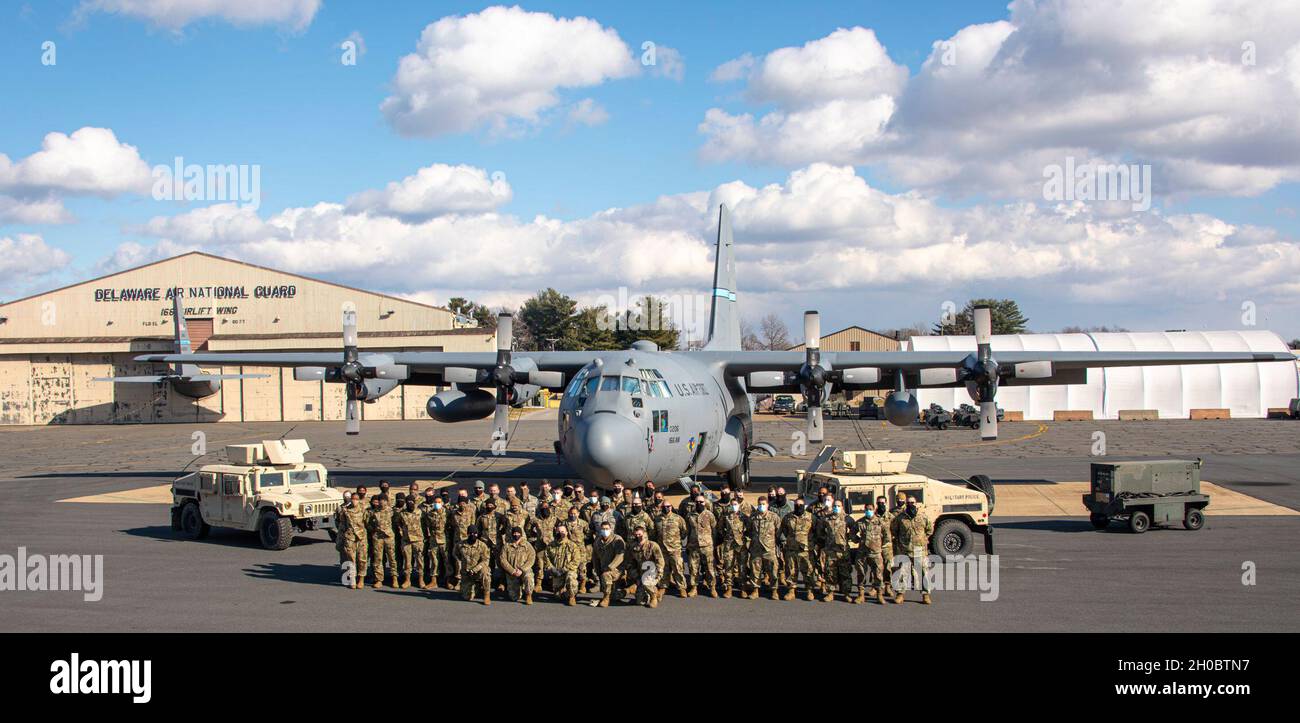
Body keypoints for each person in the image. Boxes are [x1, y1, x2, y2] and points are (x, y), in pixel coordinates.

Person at [890, 496, 934, 604]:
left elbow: (929, 530)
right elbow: (894, 530)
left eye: (912, 502)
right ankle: (900, 594)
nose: (910, 504)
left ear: (916, 503)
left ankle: (925, 595)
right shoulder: (900, 518)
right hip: (904, 550)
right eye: (908, 502)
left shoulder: (923, 517)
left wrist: (921, 539)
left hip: (919, 549)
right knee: (902, 572)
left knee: (923, 572)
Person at [817, 500, 854, 602]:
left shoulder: (847, 519)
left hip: (843, 551)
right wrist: (826, 539)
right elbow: (820, 531)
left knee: (845, 573)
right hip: (831, 550)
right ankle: (830, 593)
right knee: (830, 572)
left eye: (838, 506)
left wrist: (849, 537)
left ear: (842, 507)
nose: (836, 508)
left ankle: (846, 593)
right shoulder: (827, 519)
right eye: (835, 506)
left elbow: (854, 530)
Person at [854, 502, 890, 604]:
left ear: (874, 509)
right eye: (866, 509)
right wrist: (857, 540)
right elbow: (852, 533)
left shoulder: (880, 522)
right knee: (861, 573)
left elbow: (887, 536)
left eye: (870, 509)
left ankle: (879, 595)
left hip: (876, 553)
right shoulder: (860, 522)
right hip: (862, 552)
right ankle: (861, 595)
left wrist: (880, 545)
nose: (868, 511)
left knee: (878, 574)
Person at [780, 499, 816, 601]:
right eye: (796, 504)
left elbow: (817, 531)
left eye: (801, 505)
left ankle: (809, 591)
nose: (798, 506)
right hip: (791, 549)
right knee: (791, 570)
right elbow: (784, 530)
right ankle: (791, 591)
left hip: (806, 549)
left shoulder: (811, 517)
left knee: (808, 570)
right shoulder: (788, 517)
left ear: (804, 505)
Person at [746, 497, 781, 600]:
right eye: (760, 504)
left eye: (764, 504)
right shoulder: (753, 517)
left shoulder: (774, 517)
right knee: (755, 571)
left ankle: (774, 591)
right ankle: (755, 590)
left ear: (767, 505)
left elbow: (778, 532)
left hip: (769, 549)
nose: (761, 506)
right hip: (756, 549)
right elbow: (749, 531)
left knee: (773, 571)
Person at [623, 525, 665, 608]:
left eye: (640, 535)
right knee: (640, 601)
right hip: (640, 573)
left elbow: (660, 560)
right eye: (636, 535)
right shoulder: (633, 546)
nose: (638, 537)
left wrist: (659, 572)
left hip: (652, 572)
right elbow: (630, 561)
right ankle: (655, 592)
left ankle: (653, 597)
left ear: (644, 534)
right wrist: (633, 572)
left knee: (646, 582)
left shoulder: (653, 545)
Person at [654, 501, 688, 598]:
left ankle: (681, 588)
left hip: (675, 549)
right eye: (664, 506)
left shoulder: (678, 518)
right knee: (663, 568)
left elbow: (684, 532)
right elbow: (654, 533)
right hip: (662, 549)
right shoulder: (657, 519)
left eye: (668, 506)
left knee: (678, 568)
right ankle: (663, 587)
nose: (666, 508)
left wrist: (676, 541)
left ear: (671, 507)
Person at [685, 495, 718, 597]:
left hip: (707, 546)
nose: (699, 504)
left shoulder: (709, 515)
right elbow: (688, 530)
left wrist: (714, 545)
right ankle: (694, 588)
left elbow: (714, 530)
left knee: (710, 568)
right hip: (694, 546)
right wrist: (687, 544)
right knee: (693, 568)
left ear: (705, 503)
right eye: (697, 502)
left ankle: (712, 587)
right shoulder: (690, 515)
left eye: (701, 502)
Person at [716, 494, 747, 598]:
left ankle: (743, 588)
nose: (734, 506)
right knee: (728, 566)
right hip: (729, 545)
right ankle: (729, 588)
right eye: (732, 504)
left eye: (735, 504)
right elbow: (720, 528)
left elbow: (750, 528)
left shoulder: (744, 516)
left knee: (742, 567)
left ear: (739, 505)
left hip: (741, 545)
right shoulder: (725, 516)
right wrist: (725, 537)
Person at [544, 524, 582, 605]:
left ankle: (572, 596)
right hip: (556, 572)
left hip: (568, 571)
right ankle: (564, 591)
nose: (560, 533)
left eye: (562, 531)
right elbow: (546, 558)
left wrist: (564, 569)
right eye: (558, 531)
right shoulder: (551, 545)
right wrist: (552, 569)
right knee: (558, 597)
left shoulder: (572, 545)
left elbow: (576, 560)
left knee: (571, 578)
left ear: (567, 532)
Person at [498, 526, 536, 604]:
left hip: (524, 570)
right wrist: (512, 571)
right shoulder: (507, 546)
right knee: (514, 597)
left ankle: (528, 595)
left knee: (529, 577)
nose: (516, 534)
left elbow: (531, 558)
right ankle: (519, 587)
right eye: (514, 533)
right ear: (512, 534)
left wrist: (522, 569)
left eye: (518, 533)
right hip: (512, 572)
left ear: (521, 534)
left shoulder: (527, 545)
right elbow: (503, 560)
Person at [394, 495, 425, 589]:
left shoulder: (420, 512)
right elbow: (398, 523)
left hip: (418, 540)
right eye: (408, 502)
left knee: (420, 561)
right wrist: (401, 532)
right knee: (407, 561)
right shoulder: (402, 513)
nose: (410, 503)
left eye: (412, 502)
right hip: (406, 540)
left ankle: (421, 579)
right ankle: (407, 580)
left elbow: (425, 523)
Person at [367, 494, 397, 588]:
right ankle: (379, 579)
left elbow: (397, 521)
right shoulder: (374, 512)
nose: (382, 502)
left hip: (389, 537)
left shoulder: (391, 511)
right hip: (378, 537)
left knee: (392, 558)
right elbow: (368, 523)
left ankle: (394, 578)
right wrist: (373, 530)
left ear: (387, 501)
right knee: (378, 559)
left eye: (384, 500)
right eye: (380, 500)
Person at [593, 520, 625, 607]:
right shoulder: (598, 540)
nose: (605, 531)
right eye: (603, 529)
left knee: (606, 575)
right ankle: (629, 590)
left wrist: (610, 567)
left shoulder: (617, 539)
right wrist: (597, 570)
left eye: (607, 529)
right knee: (615, 596)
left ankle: (606, 598)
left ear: (611, 529)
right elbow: (595, 556)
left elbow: (620, 556)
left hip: (617, 569)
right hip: (604, 569)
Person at [421, 490, 449, 589]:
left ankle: (448, 580)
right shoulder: (430, 514)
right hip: (433, 540)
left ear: (442, 503)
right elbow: (427, 526)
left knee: (446, 560)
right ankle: (434, 581)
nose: (437, 504)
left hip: (444, 540)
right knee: (434, 560)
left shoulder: (447, 513)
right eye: (435, 502)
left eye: (439, 502)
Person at [340, 492, 368, 589]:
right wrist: (340, 539)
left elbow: (367, 522)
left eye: (356, 499)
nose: (354, 500)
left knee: (362, 559)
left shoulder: (363, 509)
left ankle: (361, 579)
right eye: (352, 498)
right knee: (351, 559)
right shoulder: (345, 510)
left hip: (361, 537)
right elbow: (342, 525)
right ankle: (352, 579)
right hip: (350, 537)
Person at [448, 495, 477, 587]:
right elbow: (452, 525)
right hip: (457, 540)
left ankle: (468, 580)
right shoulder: (454, 514)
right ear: (458, 504)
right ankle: (458, 580)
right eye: (461, 503)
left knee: (468, 560)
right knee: (458, 561)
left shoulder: (470, 512)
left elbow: (473, 526)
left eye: (464, 503)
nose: (462, 505)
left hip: (467, 540)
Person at [458, 529, 492, 605]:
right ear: (467, 534)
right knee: (467, 597)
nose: (473, 535)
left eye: (475, 533)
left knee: (486, 573)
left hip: (478, 571)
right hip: (466, 573)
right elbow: (456, 555)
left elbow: (485, 560)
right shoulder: (461, 545)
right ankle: (477, 587)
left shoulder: (482, 545)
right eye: (471, 533)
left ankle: (486, 594)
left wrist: (475, 569)